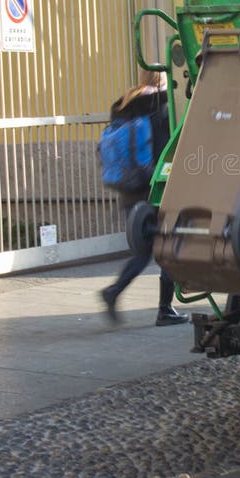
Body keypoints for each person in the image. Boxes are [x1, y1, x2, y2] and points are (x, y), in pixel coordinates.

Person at [100, 69, 189, 327]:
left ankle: (114, 291)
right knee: (167, 247)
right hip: (154, 185)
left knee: (146, 248)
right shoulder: (161, 107)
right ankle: (164, 309)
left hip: (128, 186)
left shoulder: (124, 104)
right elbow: (170, 146)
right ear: (162, 80)